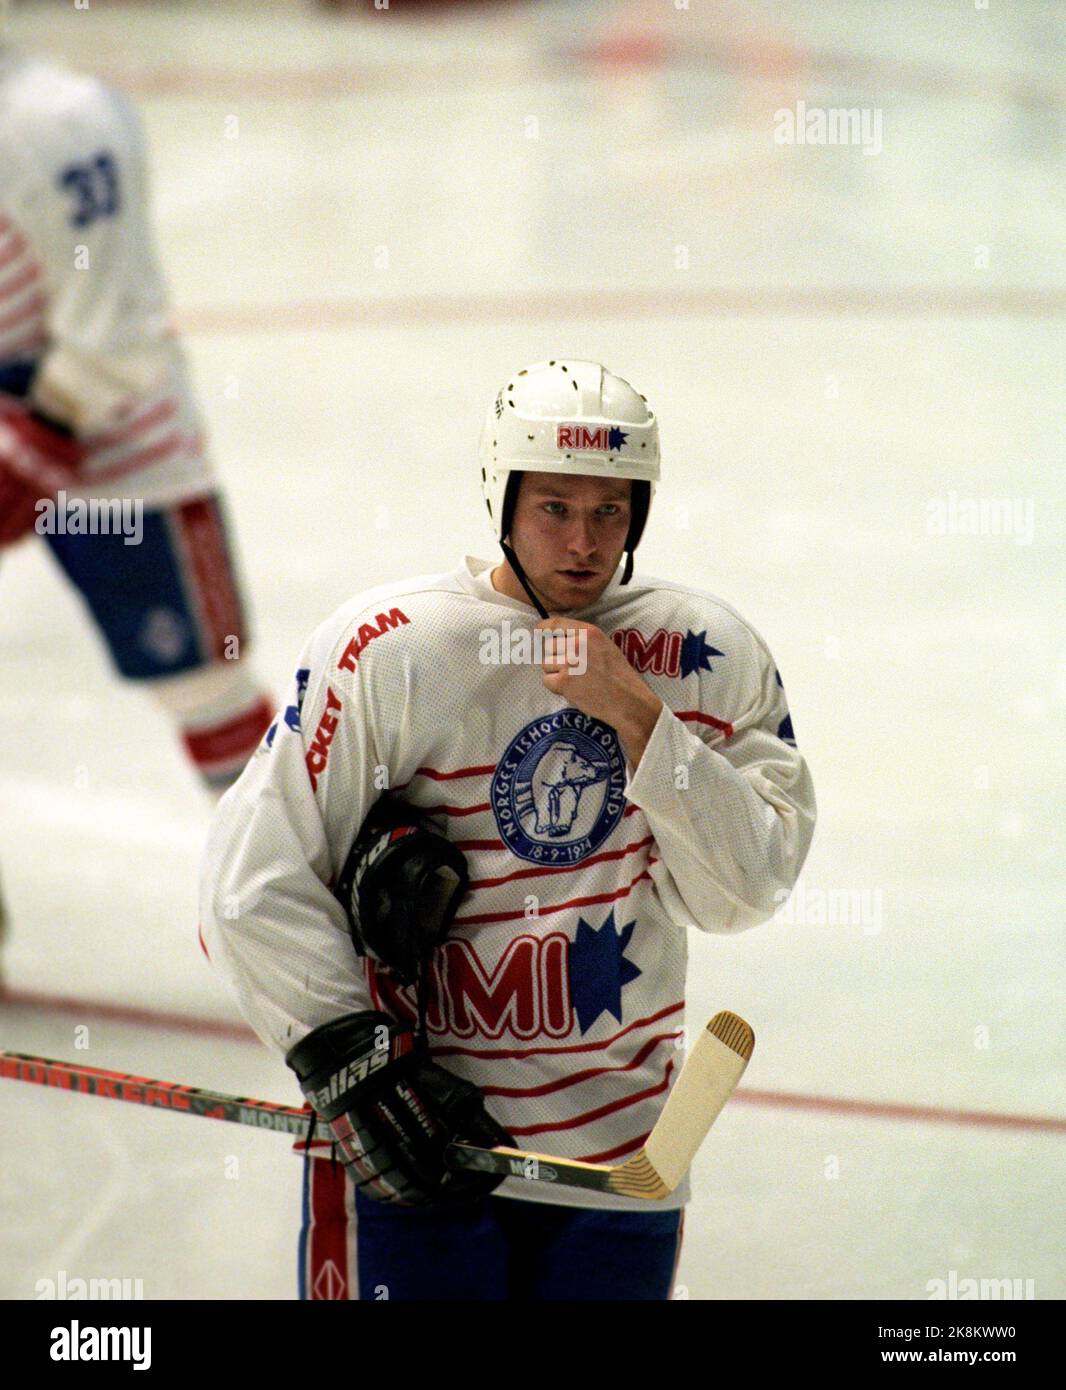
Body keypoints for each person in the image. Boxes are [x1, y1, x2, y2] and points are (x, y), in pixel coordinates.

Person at [200, 360, 816, 1301]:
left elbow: (747, 886)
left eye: (611, 511)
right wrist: (353, 1067)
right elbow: (249, 884)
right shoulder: (392, 653)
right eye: (554, 508)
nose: (583, 543)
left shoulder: (703, 654)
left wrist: (642, 721)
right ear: (504, 495)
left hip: (619, 1163)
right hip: (417, 1149)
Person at [0, 43, 274, 942]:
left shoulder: (51, 121)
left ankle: (305, 907)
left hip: (113, 429)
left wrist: (39, 437)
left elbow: (115, 329)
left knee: (201, 677)